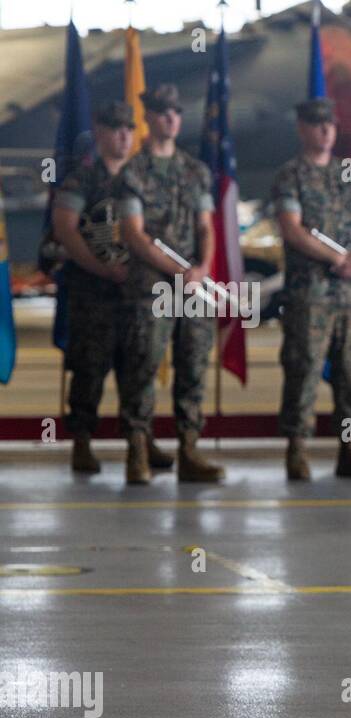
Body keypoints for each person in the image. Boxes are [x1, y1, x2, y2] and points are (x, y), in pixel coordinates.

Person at [272, 96, 351, 480]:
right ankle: (297, 450)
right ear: (303, 128)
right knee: (303, 370)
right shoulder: (292, 175)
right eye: (318, 124)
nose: (326, 131)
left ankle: (349, 449)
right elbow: (292, 228)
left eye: (331, 125)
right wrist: (334, 257)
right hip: (311, 293)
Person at [115, 83, 223, 485]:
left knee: (193, 364)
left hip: (192, 285)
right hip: (151, 285)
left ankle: (190, 449)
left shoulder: (195, 171)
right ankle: (137, 450)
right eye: (162, 112)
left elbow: (205, 227)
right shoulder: (132, 173)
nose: (171, 118)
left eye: (176, 112)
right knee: (141, 365)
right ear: (149, 117)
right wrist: (177, 272)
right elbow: (134, 234)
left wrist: (202, 266)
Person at [54, 101, 135, 476]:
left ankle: (141, 441)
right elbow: (65, 228)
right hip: (93, 294)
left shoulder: (139, 178)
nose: (124, 136)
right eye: (116, 128)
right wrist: (101, 268)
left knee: (138, 369)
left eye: (129, 129)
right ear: (99, 132)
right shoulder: (81, 180)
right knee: (89, 368)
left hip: (135, 295)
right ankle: (82, 442)